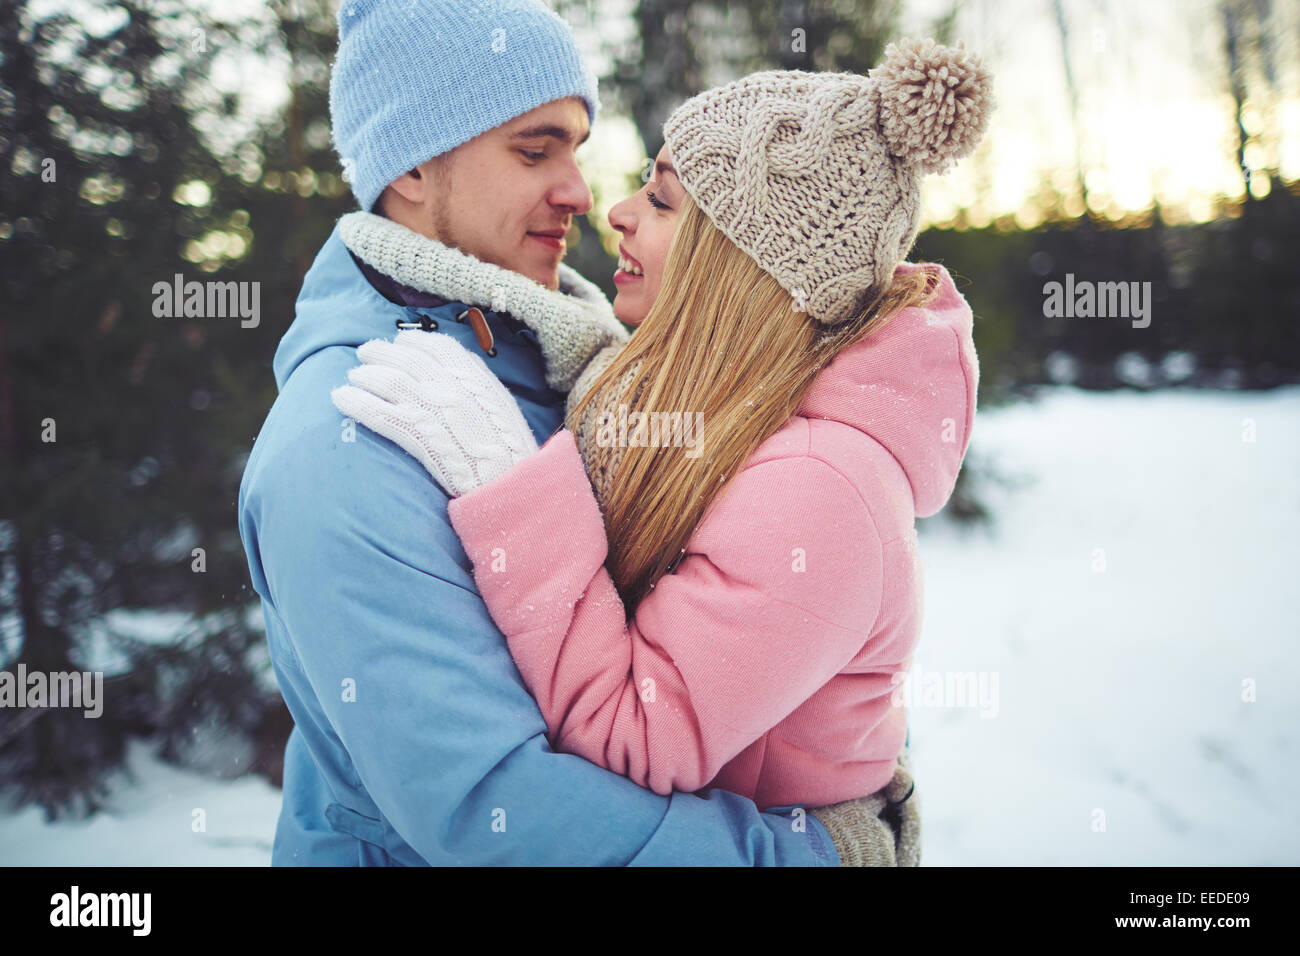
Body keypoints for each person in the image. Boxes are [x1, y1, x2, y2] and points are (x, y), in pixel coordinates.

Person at [239, 0, 905, 866]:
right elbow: (500, 813)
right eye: (532, 149)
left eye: (575, 150)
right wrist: (811, 856)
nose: (581, 194)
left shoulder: (574, 369)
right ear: (410, 164)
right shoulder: (349, 441)